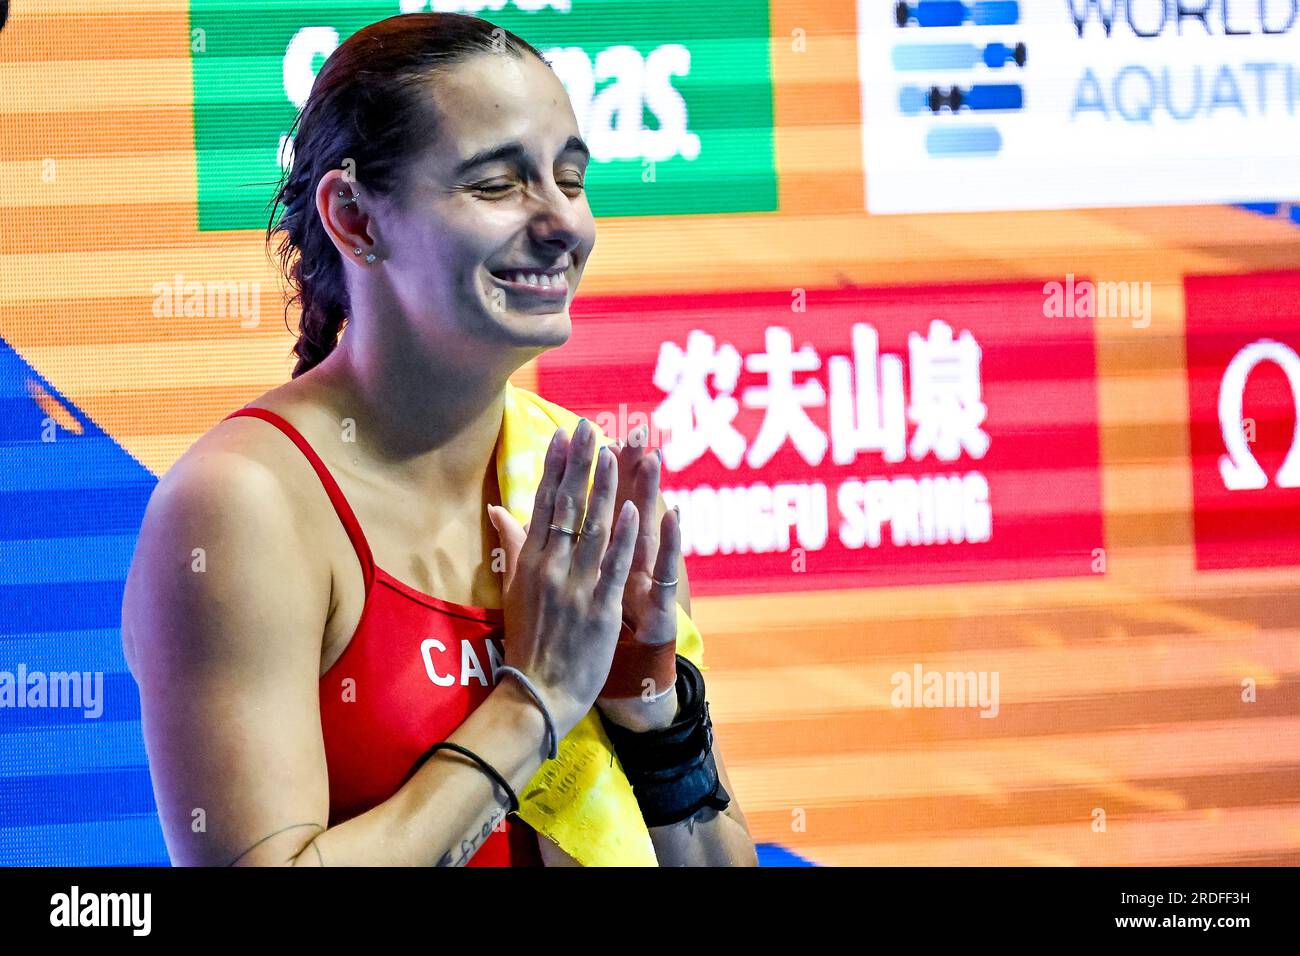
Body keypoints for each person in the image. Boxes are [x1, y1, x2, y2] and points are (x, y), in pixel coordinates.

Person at [120, 12, 756, 866]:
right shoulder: (244, 505)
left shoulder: (569, 477)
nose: (563, 221)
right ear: (355, 218)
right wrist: (534, 704)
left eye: (570, 177)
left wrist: (654, 715)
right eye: (497, 185)